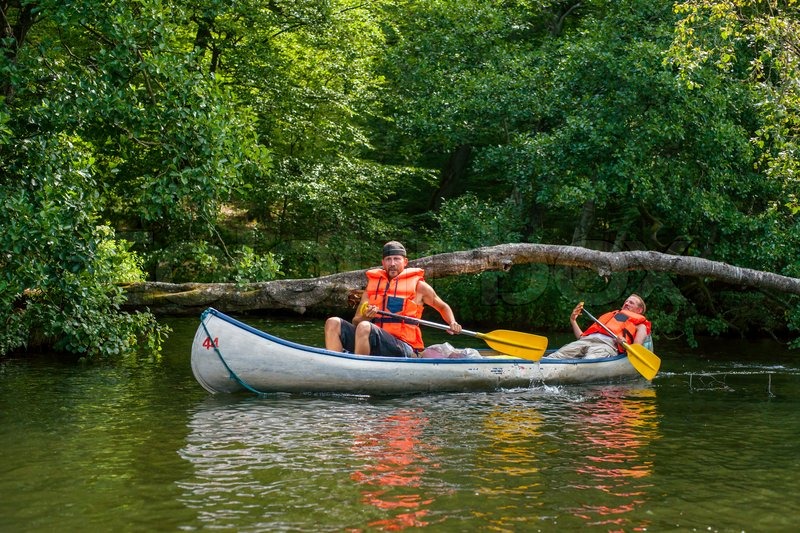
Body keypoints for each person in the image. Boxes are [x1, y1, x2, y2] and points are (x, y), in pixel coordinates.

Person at [324, 241, 462, 357]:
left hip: (404, 346)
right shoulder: (372, 287)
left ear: (405, 262)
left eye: (397, 259)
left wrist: (452, 322)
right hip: (372, 339)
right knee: (333, 322)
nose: (392, 263)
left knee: (365, 327)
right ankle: (336, 362)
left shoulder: (420, 287)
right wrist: (366, 317)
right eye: (388, 259)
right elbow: (356, 321)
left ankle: (361, 369)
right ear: (382, 262)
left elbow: (442, 306)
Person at [546, 294, 651, 359]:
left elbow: (637, 350)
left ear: (639, 310)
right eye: (626, 301)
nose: (627, 303)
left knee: (589, 360)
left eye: (631, 303)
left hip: (607, 346)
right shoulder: (611, 316)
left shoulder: (640, 326)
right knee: (554, 357)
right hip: (585, 341)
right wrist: (573, 320)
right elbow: (581, 337)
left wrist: (623, 342)